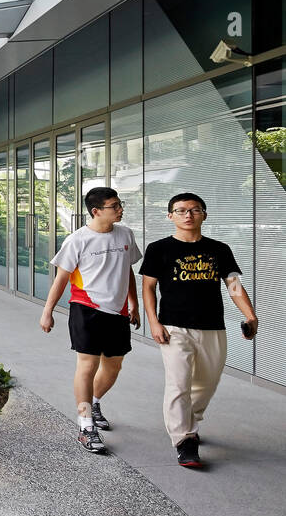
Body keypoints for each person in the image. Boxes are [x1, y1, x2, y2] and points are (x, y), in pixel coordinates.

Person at [140, 192, 257, 469]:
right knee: (179, 383)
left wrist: (251, 315)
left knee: (206, 384)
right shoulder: (159, 249)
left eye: (194, 210)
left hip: (212, 325)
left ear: (204, 214)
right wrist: (154, 322)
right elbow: (148, 287)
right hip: (173, 326)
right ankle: (185, 439)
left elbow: (233, 285)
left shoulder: (219, 249)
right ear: (170, 216)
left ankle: (188, 420)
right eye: (180, 211)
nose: (188, 215)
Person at [39, 186, 141, 453]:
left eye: (120, 205)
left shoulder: (125, 234)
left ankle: (94, 403)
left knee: (114, 366)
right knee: (87, 365)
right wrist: (47, 311)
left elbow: (127, 271)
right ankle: (85, 426)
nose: (120, 210)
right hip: (86, 308)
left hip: (117, 311)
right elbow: (61, 279)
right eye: (115, 206)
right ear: (96, 211)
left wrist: (134, 303)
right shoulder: (77, 240)